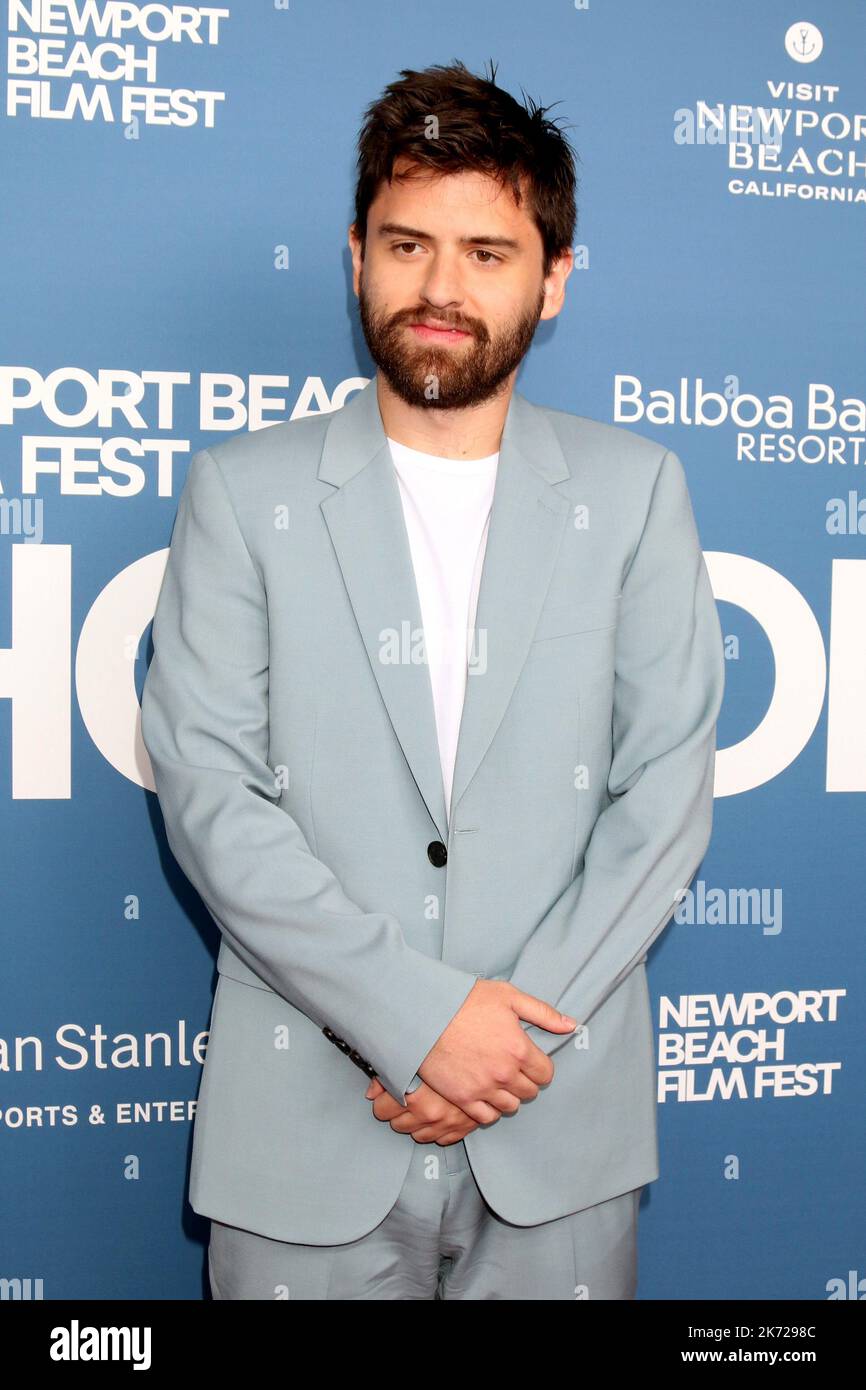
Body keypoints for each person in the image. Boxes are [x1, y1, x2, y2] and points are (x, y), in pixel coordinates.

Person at [141, 58, 725, 1300]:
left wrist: (496, 1045)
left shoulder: (634, 496)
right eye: (406, 244)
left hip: (555, 1123)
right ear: (355, 254)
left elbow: (662, 797)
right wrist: (416, 1022)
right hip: (303, 1122)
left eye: (487, 251)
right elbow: (209, 792)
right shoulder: (243, 492)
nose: (441, 288)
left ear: (553, 278)